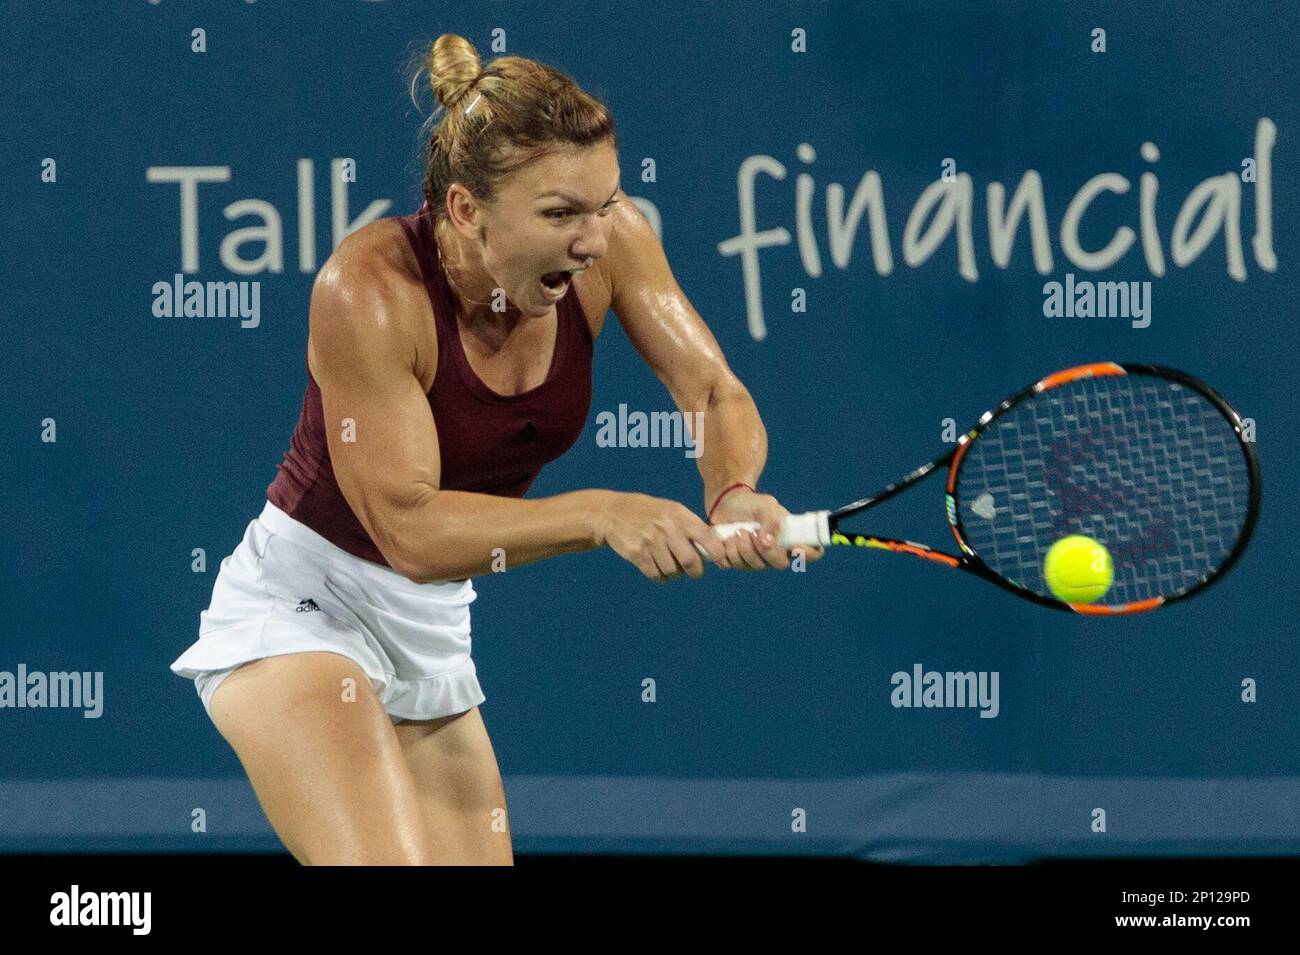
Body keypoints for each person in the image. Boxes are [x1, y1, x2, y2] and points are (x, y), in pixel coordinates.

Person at [170, 34, 823, 866]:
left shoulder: (613, 242)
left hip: (431, 625)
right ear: (465, 210)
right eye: (560, 214)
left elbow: (712, 392)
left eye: (605, 205)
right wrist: (600, 513)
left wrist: (733, 489)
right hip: (305, 605)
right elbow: (409, 531)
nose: (593, 239)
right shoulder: (368, 290)